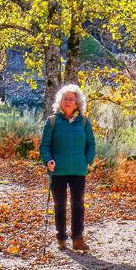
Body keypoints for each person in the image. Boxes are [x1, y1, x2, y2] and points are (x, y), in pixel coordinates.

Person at [39, 83, 95, 251]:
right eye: (65, 99)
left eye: (72, 99)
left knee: (78, 204)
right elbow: (44, 146)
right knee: (60, 205)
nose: (68, 101)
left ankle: (77, 239)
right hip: (58, 171)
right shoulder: (53, 121)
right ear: (60, 102)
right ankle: (61, 239)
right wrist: (48, 160)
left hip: (78, 170)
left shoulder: (84, 121)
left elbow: (91, 144)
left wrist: (88, 161)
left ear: (77, 103)